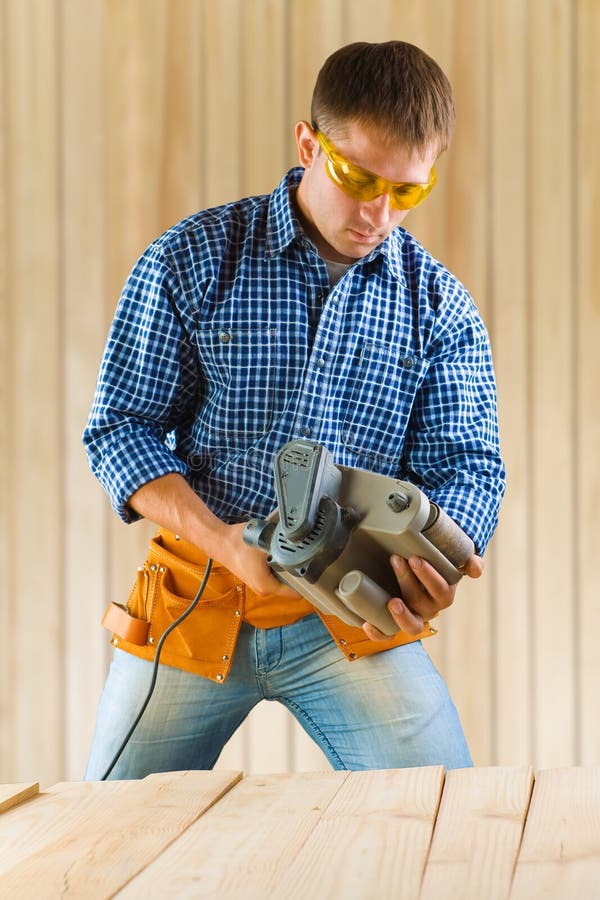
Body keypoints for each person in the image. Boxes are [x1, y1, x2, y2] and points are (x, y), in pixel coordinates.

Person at [83, 40, 505, 780]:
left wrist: (433, 561)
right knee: (108, 826)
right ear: (309, 145)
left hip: (351, 612)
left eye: (406, 191)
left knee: (446, 814)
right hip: (197, 595)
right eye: (358, 178)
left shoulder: (440, 307)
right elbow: (120, 428)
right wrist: (224, 544)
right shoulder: (192, 260)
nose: (377, 213)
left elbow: (469, 466)